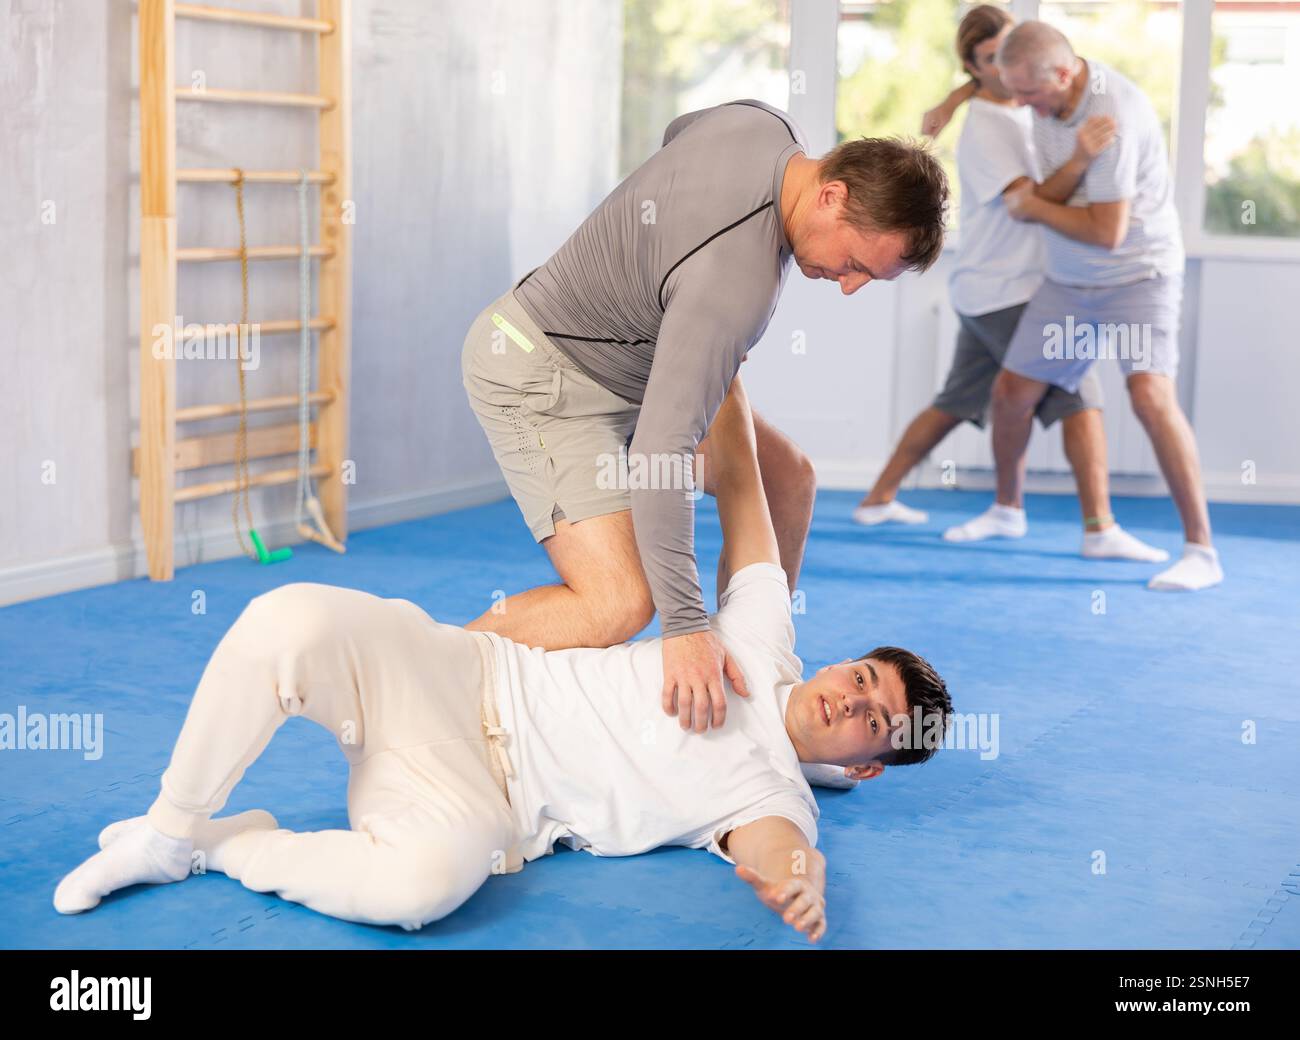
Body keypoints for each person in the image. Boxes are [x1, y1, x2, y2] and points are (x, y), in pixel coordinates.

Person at [53, 379, 953, 942]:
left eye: (874, 722)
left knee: (420, 892)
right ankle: (169, 830)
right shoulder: (763, 641)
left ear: (865, 765)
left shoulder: (778, 796)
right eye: (864, 679)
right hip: (464, 674)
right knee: (284, 619)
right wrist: (717, 345)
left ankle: (224, 846)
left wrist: (803, 885)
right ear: (842, 663)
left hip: (486, 805)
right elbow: (748, 490)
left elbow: (781, 851)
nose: (853, 701)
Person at [462, 99, 949, 734]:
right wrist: (685, 627)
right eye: (856, 263)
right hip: (539, 369)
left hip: (629, 372)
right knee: (621, 602)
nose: (850, 286)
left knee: (789, 479)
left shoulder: (762, 123)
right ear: (832, 195)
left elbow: (676, 134)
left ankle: (755, 657)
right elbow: (661, 454)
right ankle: (426, 667)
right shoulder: (735, 287)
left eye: (868, 278)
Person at [855, 5, 1165, 564]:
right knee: (1080, 398)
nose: (1005, 65)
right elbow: (1030, 205)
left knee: (957, 400)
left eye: (1009, 50)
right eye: (991, 58)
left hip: (990, 287)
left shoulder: (1020, 107)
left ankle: (882, 499)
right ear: (976, 67)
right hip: (1008, 289)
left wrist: (954, 98)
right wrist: (1082, 159)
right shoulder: (988, 126)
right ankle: (1098, 527)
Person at [989, 21, 1222, 590]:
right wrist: (1048, 191)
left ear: (1065, 74)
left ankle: (1201, 552)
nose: (1019, 104)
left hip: (1137, 276)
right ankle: (1007, 510)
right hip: (1068, 284)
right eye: (1013, 91)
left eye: (1028, 92)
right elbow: (1054, 193)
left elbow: (1105, 231)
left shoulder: (1112, 113)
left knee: (1149, 395)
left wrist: (1034, 207)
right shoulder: (1045, 111)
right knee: (1012, 394)